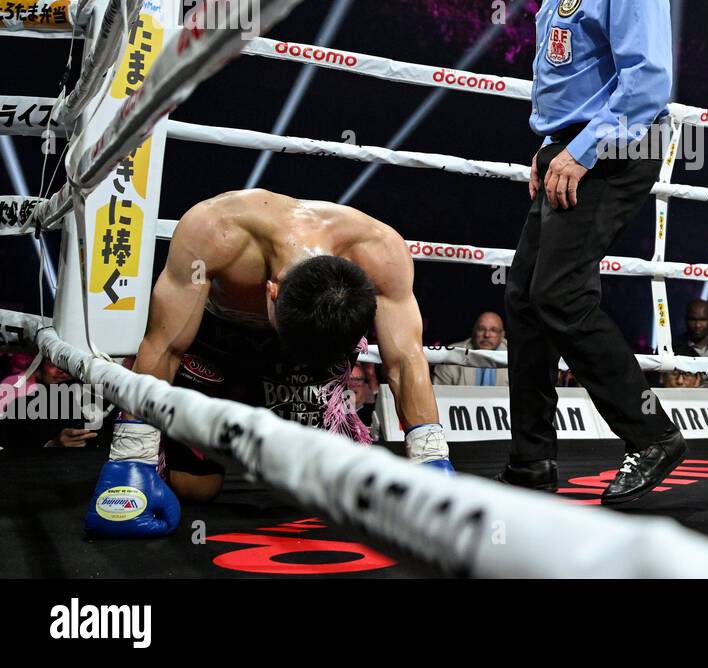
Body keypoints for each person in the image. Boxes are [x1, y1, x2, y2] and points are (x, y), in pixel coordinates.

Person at [85, 189, 452, 538]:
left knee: (329, 486)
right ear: (271, 290)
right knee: (194, 487)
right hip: (219, 343)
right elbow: (163, 345)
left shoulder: (380, 251)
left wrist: (432, 463)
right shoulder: (215, 229)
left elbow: (405, 360)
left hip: (317, 352)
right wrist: (132, 458)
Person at [500, 0, 685, 506]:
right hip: (570, 149)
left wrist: (578, 151)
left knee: (558, 293)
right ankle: (531, 463)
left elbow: (647, 85)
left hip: (616, 148)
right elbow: (568, 76)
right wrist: (552, 147)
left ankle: (650, 434)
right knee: (523, 296)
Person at [434, 311, 510, 386]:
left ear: (502, 335)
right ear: (473, 331)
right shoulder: (451, 354)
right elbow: (438, 393)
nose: (486, 335)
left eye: (493, 330)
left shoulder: (515, 356)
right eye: (481, 329)